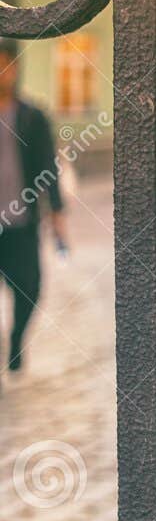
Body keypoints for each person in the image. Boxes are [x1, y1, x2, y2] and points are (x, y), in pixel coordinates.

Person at [0, 39, 67, 385]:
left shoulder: (32, 116)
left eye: (5, 65)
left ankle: (15, 341)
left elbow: (48, 169)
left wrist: (57, 215)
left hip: (21, 223)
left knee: (29, 288)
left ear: (14, 69)